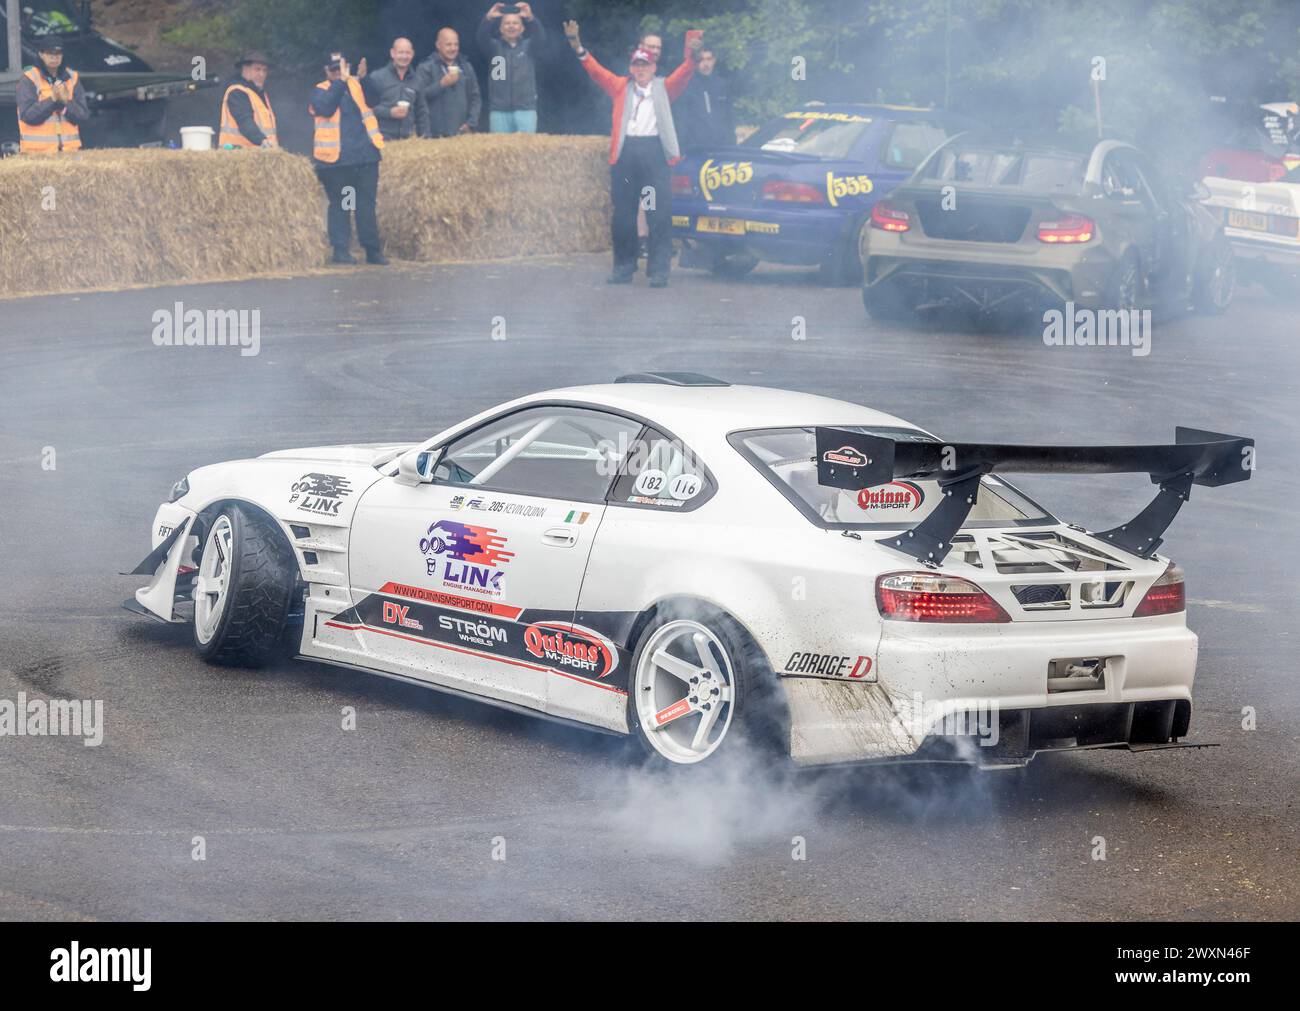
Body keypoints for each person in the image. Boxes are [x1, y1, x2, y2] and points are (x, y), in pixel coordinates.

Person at [565, 22, 700, 288]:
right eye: (637, 65)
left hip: (653, 155)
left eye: (645, 66)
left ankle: (659, 271)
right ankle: (624, 267)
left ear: (653, 68)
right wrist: (577, 46)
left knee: (657, 213)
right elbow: (596, 72)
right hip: (627, 156)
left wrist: (693, 57)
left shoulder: (664, 88)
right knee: (623, 214)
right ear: (631, 68)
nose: (641, 70)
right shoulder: (620, 86)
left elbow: (684, 74)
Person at [309, 51, 388, 266]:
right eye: (334, 70)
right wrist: (341, 82)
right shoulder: (320, 89)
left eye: (342, 68)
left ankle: (372, 250)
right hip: (337, 162)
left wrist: (364, 78)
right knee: (342, 205)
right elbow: (325, 107)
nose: (338, 73)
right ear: (327, 71)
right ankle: (341, 250)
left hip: (365, 157)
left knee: (366, 206)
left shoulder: (357, 84)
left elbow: (375, 99)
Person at [477, 2, 546, 133]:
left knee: (526, 151)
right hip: (499, 111)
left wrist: (531, 18)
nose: (511, 26)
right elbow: (481, 38)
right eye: (507, 23)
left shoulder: (529, 47)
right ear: (501, 28)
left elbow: (541, 38)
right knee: (500, 152)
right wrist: (488, 19)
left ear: (522, 28)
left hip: (525, 110)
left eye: (515, 23)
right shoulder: (494, 48)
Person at [16, 41, 87, 154]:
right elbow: (28, 116)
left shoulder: (72, 77)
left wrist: (66, 103)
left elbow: (83, 116)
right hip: (37, 153)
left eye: (58, 53)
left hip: (70, 152)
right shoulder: (29, 78)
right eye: (50, 53)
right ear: (41, 54)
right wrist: (53, 99)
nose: (54, 57)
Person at [414, 27, 482, 138]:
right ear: (438, 45)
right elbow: (419, 98)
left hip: (461, 133)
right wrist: (441, 84)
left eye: (456, 45)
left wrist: (471, 123)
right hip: (435, 135)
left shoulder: (466, 66)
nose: (453, 48)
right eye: (448, 45)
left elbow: (475, 97)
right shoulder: (425, 67)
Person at [365, 38, 428, 142]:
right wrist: (389, 112)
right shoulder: (377, 77)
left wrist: (425, 138)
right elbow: (367, 108)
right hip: (381, 139)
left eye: (407, 53)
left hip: (408, 141)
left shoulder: (417, 80)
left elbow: (422, 112)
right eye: (400, 52)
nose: (404, 56)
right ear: (392, 53)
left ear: (412, 54)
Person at [675, 48, 736, 153]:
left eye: (709, 59)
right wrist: (682, 147)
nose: (706, 64)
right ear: (695, 63)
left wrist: (732, 145)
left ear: (714, 60)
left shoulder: (723, 85)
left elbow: (730, 118)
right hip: (696, 148)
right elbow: (682, 120)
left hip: (722, 147)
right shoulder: (687, 85)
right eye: (701, 60)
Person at [218, 53, 278, 149]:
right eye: (257, 69)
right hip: (240, 154)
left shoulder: (260, 94)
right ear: (245, 69)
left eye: (264, 70)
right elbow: (245, 121)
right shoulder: (237, 92)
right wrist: (262, 141)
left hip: (260, 155)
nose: (261, 74)